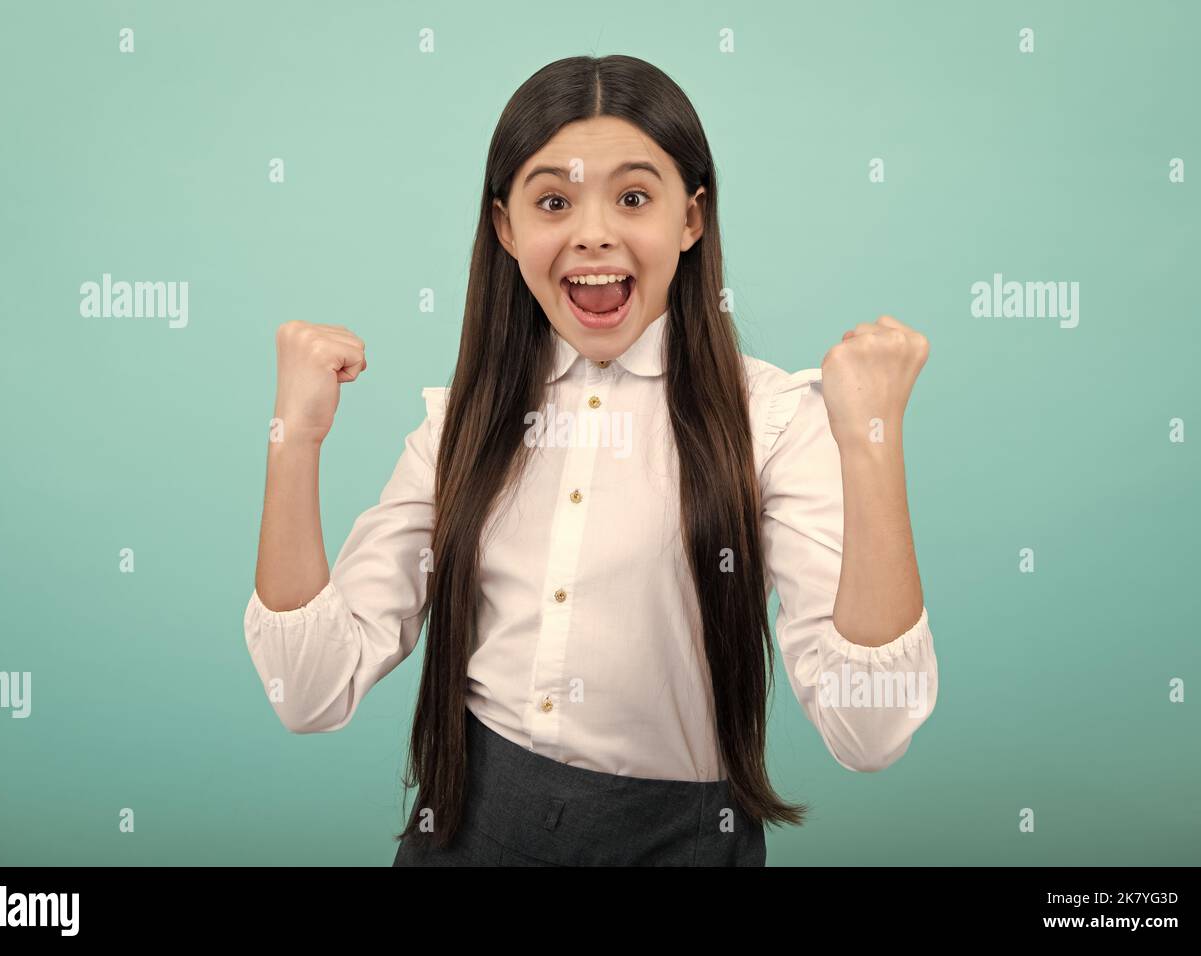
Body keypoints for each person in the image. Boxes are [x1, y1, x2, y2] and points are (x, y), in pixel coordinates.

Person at [243, 54, 939, 867]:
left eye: (635, 197)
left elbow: (871, 729)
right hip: (468, 828)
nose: (595, 232)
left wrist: (872, 445)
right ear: (506, 228)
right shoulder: (460, 425)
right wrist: (296, 437)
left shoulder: (774, 423)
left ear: (692, 218)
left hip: (679, 842)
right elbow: (310, 689)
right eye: (553, 201)